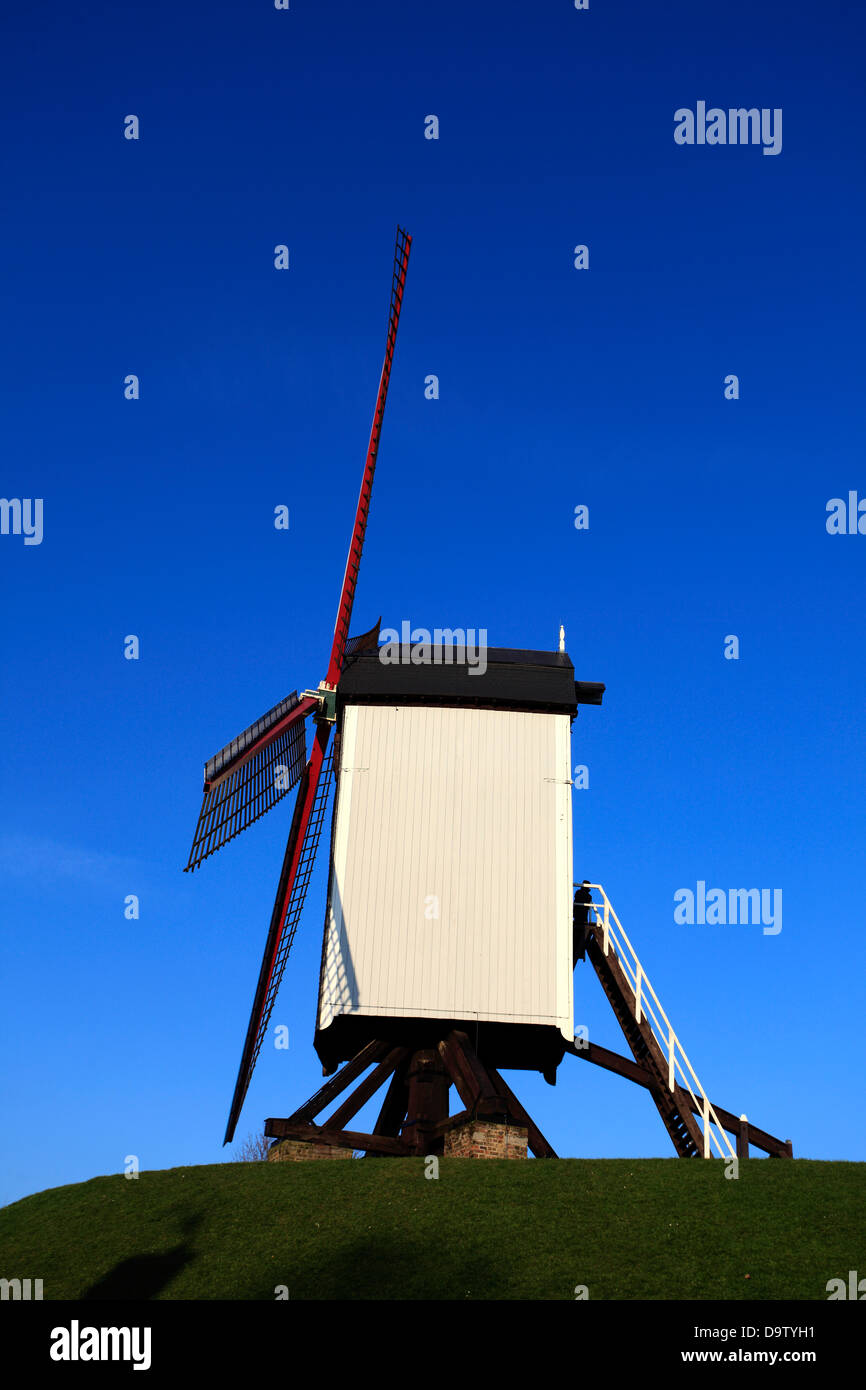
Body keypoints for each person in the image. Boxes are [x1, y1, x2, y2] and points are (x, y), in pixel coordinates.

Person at [573, 880, 594, 967]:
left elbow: (575, 901)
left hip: (577, 915)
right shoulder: (589, 896)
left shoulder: (578, 892)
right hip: (583, 917)